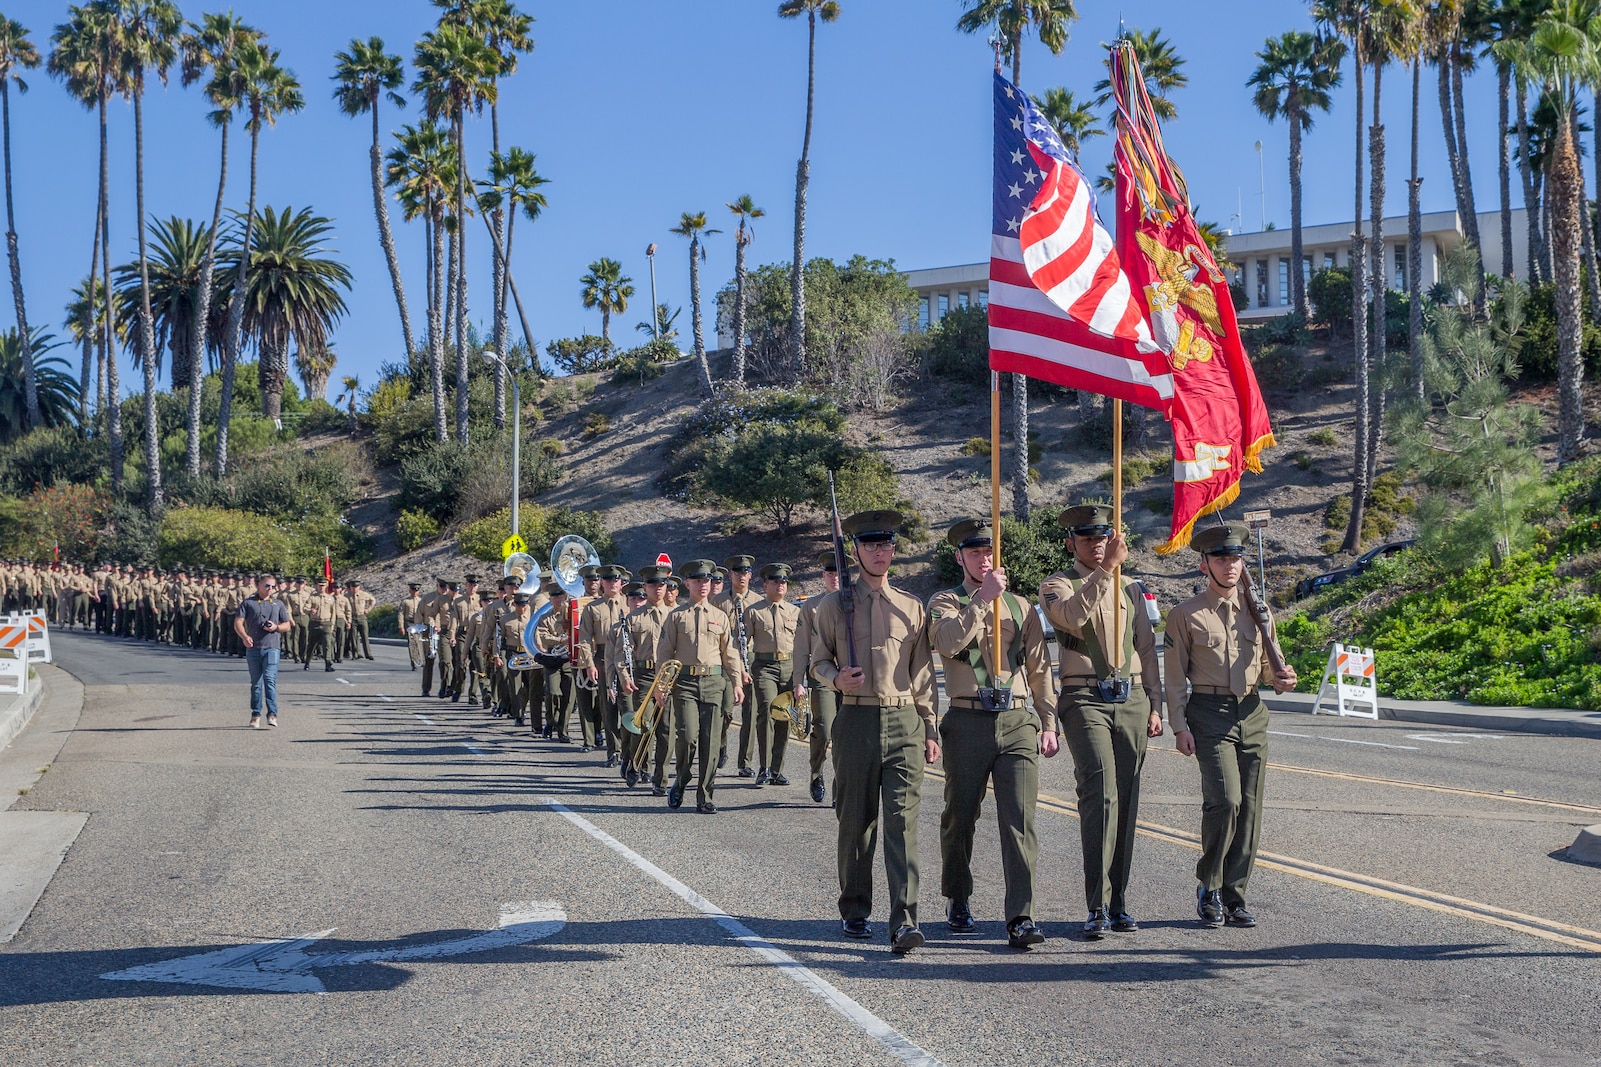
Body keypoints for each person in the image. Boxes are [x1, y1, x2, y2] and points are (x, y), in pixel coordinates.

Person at [808, 510, 938, 955]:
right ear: (856, 551)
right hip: (856, 719)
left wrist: (930, 726)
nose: (880, 553)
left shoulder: (911, 606)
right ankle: (855, 909)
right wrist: (835, 679)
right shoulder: (833, 605)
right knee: (856, 822)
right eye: (871, 545)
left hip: (904, 722)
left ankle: (905, 921)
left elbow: (923, 674)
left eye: (887, 545)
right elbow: (817, 661)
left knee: (903, 824)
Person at [931, 518, 1059, 950]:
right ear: (960, 557)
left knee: (1020, 821)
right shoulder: (945, 602)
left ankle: (1021, 916)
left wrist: (1048, 721)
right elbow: (948, 643)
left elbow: (1040, 668)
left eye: (989, 552)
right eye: (975, 552)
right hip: (967, 720)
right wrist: (982, 600)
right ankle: (958, 895)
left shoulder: (1021, 607)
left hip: (1017, 720)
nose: (984, 559)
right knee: (960, 815)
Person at [1165, 521, 1298, 929]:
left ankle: (1234, 894)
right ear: (1204, 564)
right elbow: (1174, 678)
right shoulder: (1185, 614)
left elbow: (1269, 667)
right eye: (1221, 558)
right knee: (1226, 801)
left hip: (1252, 711)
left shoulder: (1260, 613)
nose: (1230, 565)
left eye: (1236, 558)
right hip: (1209, 713)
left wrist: (1282, 679)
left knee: (1250, 808)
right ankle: (1209, 885)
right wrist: (1179, 726)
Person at [1040, 503, 1165, 939]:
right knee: (1100, 793)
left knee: (1126, 800)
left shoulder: (1131, 588)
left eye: (1103, 538)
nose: (1097, 545)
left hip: (1131, 697)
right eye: (1088, 538)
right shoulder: (1057, 585)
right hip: (1084, 696)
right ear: (1070, 543)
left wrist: (1155, 704)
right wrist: (1106, 570)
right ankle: (1096, 904)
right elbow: (1072, 617)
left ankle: (1118, 902)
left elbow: (1146, 648)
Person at [654, 559, 743, 814]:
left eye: (706, 580)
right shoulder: (676, 616)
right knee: (688, 737)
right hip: (685, 683)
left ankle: (705, 795)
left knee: (711, 741)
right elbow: (664, 653)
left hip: (714, 682)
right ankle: (682, 779)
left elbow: (730, 654)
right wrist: (661, 686)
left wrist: (737, 683)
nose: (703, 585)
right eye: (697, 580)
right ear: (687, 583)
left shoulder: (720, 616)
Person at [745, 563, 801, 786]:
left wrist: (801, 675)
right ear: (765, 584)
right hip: (764, 667)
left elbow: (802, 646)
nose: (780, 585)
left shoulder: (795, 612)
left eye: (783, 582)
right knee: (767, 711)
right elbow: (742, 643)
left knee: (784, 715)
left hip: (789, 667)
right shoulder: (754, 611)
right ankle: (765, 767)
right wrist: (741, 669)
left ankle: (777, 770)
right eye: (775, 582)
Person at [797, 549, 843, 804]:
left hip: (851, 677)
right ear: (823, 575)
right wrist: (798, 682)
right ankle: (817, 773)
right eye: (829, 572)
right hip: (822, 676)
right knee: (824, 729)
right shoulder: (811, 606)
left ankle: (840, 787)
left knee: (844, 736)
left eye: (838, 572)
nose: (834, 576)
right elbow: (801, 648)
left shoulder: (858, 602)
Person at [713, 555, 761, 776]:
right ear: (731, 575)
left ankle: (745, 762)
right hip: (725, 660)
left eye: (746, 572)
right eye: (738, 572)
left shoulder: (759, 602)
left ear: (750, 575)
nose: (742, 576)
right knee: (724, 709)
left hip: (750, 658)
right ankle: (721, 744)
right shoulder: (718, 601)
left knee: (750, 713)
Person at [578, 565, 628, 766]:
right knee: (608, 707)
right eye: (608, 580)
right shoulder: (593, 608)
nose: (612, 584)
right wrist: (589, 664)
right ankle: (613, 750)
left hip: (627, 658)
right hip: (603, 658)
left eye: (616, 580)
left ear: (621, 582)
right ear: (602, 583)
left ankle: (628, 750)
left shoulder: (631, 603)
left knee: (628, 706)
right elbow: (584, 638)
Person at [236, 574, 292, 728]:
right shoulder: (248, 603)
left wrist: (276, 627)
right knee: (256, 683)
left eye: (273, 586)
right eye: (267, 585)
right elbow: (238, 622)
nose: (270, 589)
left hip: (272, 647)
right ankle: (256, 714)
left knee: (269, 680)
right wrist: (244, 637)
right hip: (254, 648)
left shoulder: (278, 604)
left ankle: (272, 714)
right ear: (259, 585)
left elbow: (287, 625)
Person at [348, 579, 376, 660]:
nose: (355, 588)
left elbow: (373, 600)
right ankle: (355, 654)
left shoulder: (363, 594)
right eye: (353, 587)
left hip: (362, 616)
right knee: (353, 637)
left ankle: (368, 654)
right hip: (352, 617)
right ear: (350, 587)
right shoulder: (347, 596)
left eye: (356, 587)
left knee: (365, 636)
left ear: (359, 587)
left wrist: (368, 609)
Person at [400, 581, 425, 670]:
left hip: (419, 623)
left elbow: (424, 613)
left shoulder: (421, 601)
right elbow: (401, 614)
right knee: (412, 643)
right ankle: (414, 663)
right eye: (413, 590)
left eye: (416, 590)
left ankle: (421, 660)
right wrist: (401, 626)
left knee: (420, 642)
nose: (415, 592)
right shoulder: (405, 601)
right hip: (409, 623)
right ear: (410, 590)